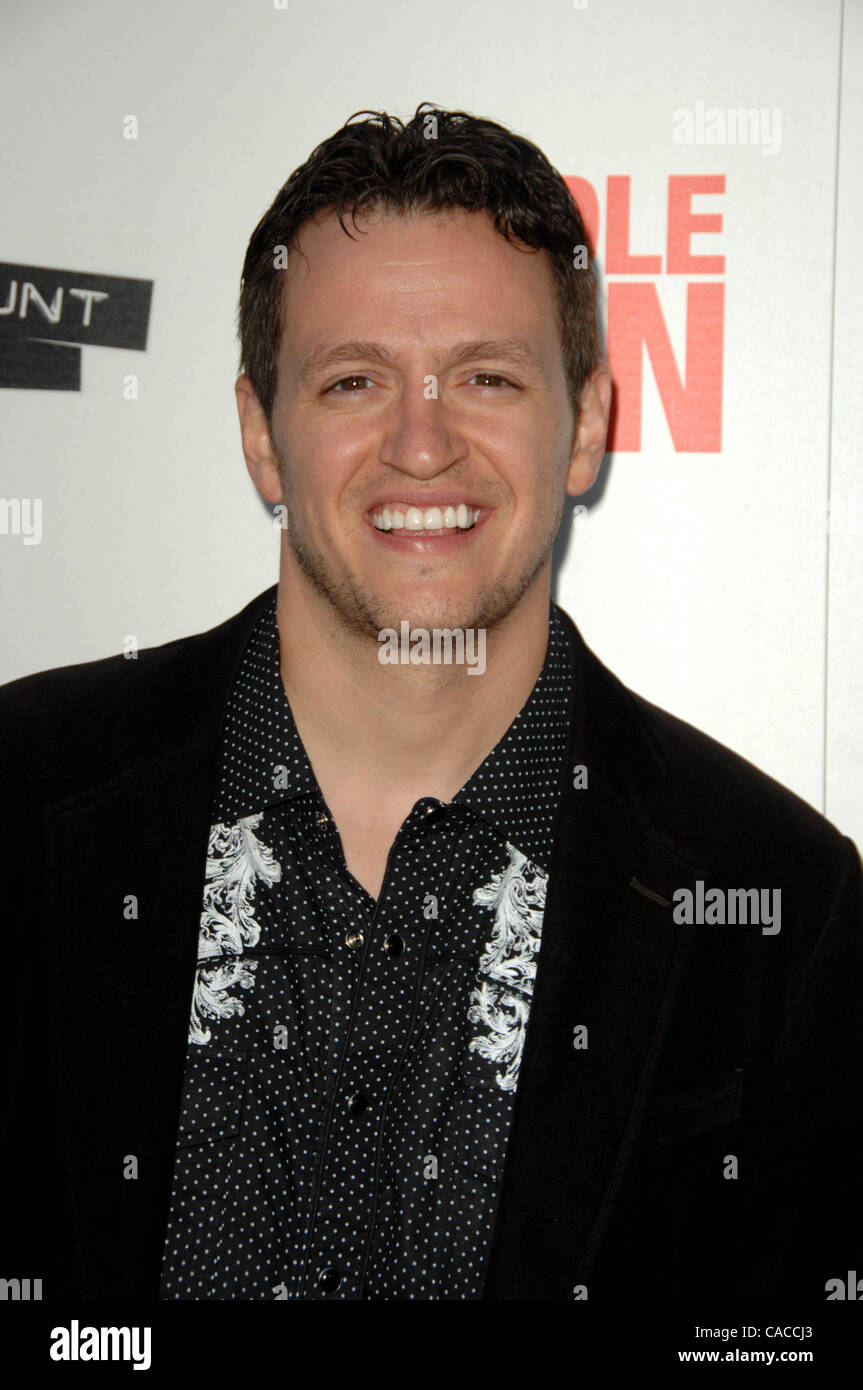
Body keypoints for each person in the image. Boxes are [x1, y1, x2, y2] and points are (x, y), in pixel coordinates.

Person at [2, 103, 860, 1302]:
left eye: (486, 377)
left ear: (588, 425)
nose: (421, 444)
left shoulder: (781, 904)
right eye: (353, 379)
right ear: (260, 435)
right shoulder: (22, 791)